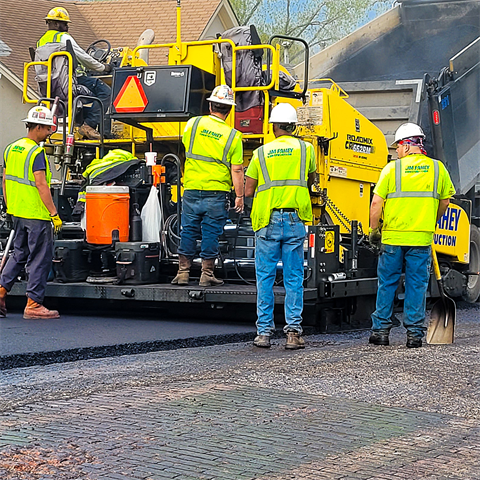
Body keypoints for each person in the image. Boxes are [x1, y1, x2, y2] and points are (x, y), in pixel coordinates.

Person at [369, 122, 455, 348]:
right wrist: (431, 220)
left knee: (387, 283)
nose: (396, 151)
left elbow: (376, 203)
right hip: (420, 238)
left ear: (407, 146)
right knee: (417, 285)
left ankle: (380, 332)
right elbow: (445, 201)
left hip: (392, 239)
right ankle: (414, 334)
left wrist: (374, 230)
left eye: (397, 146)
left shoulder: (391, 169)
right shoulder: (437, 169)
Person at [245, 103, 316, 350]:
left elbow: (249, 187)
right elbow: (310, 179)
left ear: (274, 126)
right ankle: (293, 333)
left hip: (267, 220)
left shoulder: (261, 153)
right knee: (294, 277)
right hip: (295, 219)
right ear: (294, 126)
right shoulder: (307, 150)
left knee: (264, 277)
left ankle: (264, 333)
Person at [171, 85, 244, 287]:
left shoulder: (192, 124)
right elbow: (237, 169)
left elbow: (187, 146)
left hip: (192, 188)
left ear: (210, 105)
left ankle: (183, 273)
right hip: (216, 192)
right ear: (229, 110)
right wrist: (239, 196)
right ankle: (206, 275)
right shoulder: (233, 136)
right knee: (211, 232)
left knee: (188, 230)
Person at [0, 106, 63, 320]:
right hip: (36, 214)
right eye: (47, 129)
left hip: (18, 212)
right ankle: (34, 304)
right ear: (37, 127)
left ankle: (0, 292)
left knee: (19, 254)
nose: (49, 133)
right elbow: (41, 183)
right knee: (40, 257)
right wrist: (53, 213)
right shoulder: (35, 152)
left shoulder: (11, 148)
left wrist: (10, 207)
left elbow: (5, 180)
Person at [37, 7, 112, 140]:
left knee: (91, 101)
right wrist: (102, 68)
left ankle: (83, 124)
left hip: (51, 86)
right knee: (106, 93)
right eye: (64, 23)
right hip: (71, 81)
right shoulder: (63, 37)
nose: (67, 26)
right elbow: (83, 57)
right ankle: (89, 125)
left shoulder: (40, 42)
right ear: (54, 23)